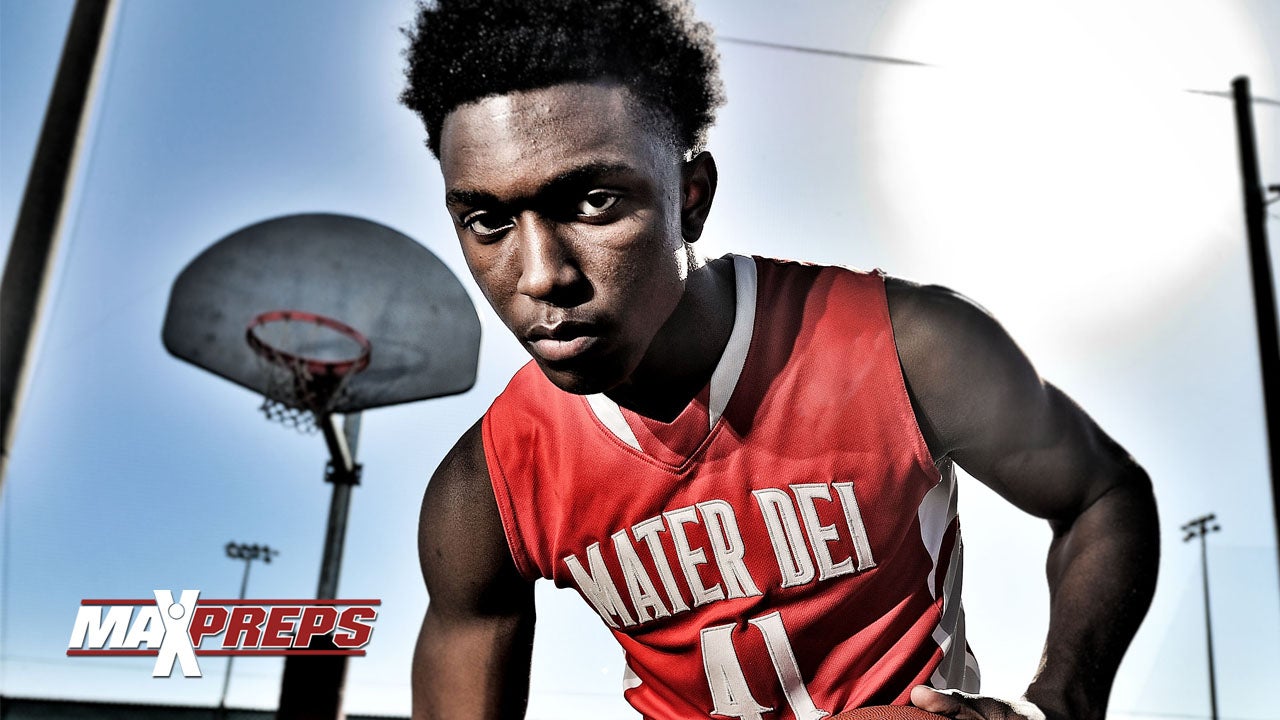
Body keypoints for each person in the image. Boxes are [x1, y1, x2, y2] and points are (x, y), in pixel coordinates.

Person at [398, 1, 1159, 718]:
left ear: (691, 196)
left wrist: (1058, 705)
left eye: (594, 202)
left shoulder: (908, 347)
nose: (541, 275)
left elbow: (1103, 495)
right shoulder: (487, 491)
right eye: (488, 220)